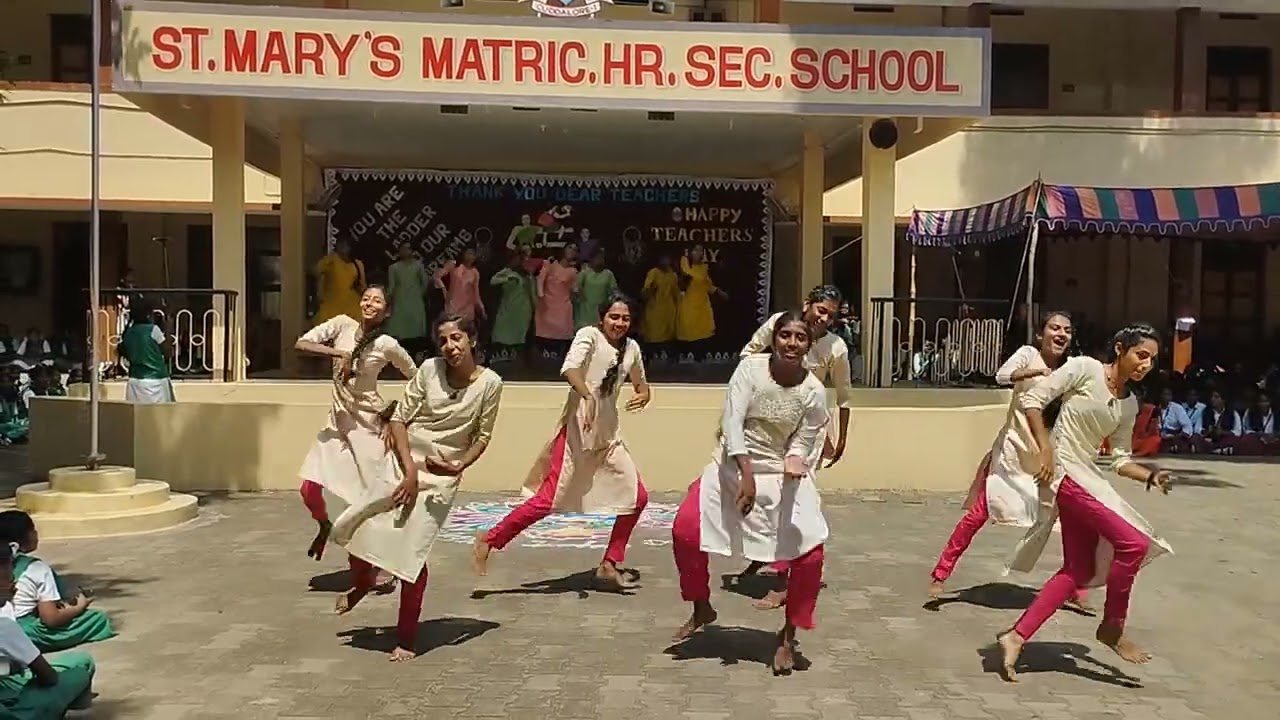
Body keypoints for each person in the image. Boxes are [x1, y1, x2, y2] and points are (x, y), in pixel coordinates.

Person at [997, 324, 1174, 682]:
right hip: (1063, 473)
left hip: (1088, 476)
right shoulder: (1084, 368)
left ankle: (1015, 636)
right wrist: (1045, 448)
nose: (1146, 365)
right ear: (1121, 349)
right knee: (1133, 544)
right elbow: (1033, 401)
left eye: (1152, 360)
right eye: (1141, 355)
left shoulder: (1128, 403)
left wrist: (1150, 476)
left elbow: (1120, 460)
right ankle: (1112, 627)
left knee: (1077, 569)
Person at [328, 313, 504, 662]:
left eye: (457, 338)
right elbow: (398, 418)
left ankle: (406, 637)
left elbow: (482, 436)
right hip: (404, 462)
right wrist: (408, 471)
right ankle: (364, 582)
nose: (450, 347)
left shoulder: (491, 384)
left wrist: (459, 465)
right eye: (443, 340)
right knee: (358, 525)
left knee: (411, 555)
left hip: (440, 479)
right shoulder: (428, 370)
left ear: (472, 340)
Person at [670, 311, 829, 675]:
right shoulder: (751, 370)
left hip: (779, 475)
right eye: (785, 335)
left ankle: (788, 637)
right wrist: (745, 473)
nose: (791, 343)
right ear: (774, 339)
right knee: (685, 530)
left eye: (799, 337)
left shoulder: (814, 391)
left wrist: (794, 459)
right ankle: (700, 606)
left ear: (808, 344)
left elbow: (806, 437)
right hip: (732, 466)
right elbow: (732, 419)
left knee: (810, 553)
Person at [473, 292, 651, 590]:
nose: (619, 323)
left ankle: (609, 563)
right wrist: (587, 395)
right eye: (614, 317)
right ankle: (489, 540)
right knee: (547, 501)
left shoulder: (632, 348)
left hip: (608, 437)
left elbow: (642, 384)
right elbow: (570, 369)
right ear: (601, 318)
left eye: (625, 318)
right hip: (577, 431)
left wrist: (643, 395)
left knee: (638, 497)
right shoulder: (589, 336)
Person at [928, 311, 1090, 610]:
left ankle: (1076, 589)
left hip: (1045, 455)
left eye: (1067, 330)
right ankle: (941, 573)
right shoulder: (1028, 355)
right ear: (1041, 334)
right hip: (1012, 452)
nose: (1061, 334)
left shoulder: (1071, 369)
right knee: (978, 515)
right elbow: (1001, 376)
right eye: (1054, 328)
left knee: (1067, 517)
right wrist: (1034, 374)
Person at [735, 287, 853, 610]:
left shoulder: (836, 348)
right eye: (819, 309)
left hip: (808, 433)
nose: (822, 317)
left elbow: (843, 396)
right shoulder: (779, 325)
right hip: (768, 423)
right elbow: (748, 354)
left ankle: (783, 579)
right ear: (807, 305)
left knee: (793, 500)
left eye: (829, 313)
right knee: (760, 494)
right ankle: (764, 555)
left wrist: (840, 438)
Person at [294, 286, 417, 595]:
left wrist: (396, 416)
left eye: (377, 300)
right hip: (336, 425)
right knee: (308, 489)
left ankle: (377, 568)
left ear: (387, 311)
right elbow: (302, 343)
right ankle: (324, 524)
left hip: (368, 427)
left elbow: (417, 380)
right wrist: (340, 353)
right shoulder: (341, 325)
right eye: (366, 298)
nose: (369, 303)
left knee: (363, 504)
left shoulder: (387, 344)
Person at [0, 543, 95, 719]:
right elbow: (48, 676)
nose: (14, 585)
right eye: (9, 579)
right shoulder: (5, 626)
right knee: (81, 664)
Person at [0, 511, 114, 653]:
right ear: (28, 536)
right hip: (24, 631)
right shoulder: (37, 568)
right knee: (97, 618)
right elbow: (50, 619)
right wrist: (79, 607)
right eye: (33, 530)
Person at [116, 300, 174, 404]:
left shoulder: (128, 333)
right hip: (156, 381)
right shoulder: (153, 330)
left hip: (135, 381)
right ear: (148, 314)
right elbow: (168, 352)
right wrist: (169, 330)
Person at [675, 245, 726, 359]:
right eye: (695, 250)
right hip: (688, 303)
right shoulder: (685, 263)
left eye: (700, 251)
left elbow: (707, 284)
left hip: (702, 304)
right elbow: (689, 274)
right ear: (690, 252)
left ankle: (700, 360)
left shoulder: (704, 267)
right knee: (688, 330)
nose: (698, 253)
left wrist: (718, 291)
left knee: (703, 331)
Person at [489, 251, 536, 362]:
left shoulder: (528, 276)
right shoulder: (507, 272)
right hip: (507, 308)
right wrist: (507, 279)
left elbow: (533, 293)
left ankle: (518, 360)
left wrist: (535, 308)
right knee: (501, 334)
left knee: (519, 336)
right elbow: (492, 281)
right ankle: (501, 357)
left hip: (523, 310)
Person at [534, 244, 579, 360]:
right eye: (570, 248)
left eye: (575, 250)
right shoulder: (549, 265)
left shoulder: (572, 271)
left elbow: (575, 291)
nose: (572, 251)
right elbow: (540, 282)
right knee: (544, 343)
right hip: (546, 308)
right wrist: (541, 297)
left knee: (560, 343)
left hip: (563, 310)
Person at [385, 243, 430, 358]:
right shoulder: (394, 268)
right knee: (400, 334)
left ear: (412, 251)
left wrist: (418, 295)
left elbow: (425, 284)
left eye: (408, 249)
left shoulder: (418, 266)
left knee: (415, 333)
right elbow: (391, 288)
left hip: (416, 303)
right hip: (400, 304)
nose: (405, 251)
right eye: (402, 249)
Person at [313, 239, 367, 325]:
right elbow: (316, 271)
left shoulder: (357, 264)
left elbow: (362, 285)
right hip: (331, 305)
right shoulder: (332, 260)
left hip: (352, 307)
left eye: (345, 245)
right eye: (340, 244)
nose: (342, 247)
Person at [433, 248, 485, 324]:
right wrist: (443, 290)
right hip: (452, 308)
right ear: (463, 254)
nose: (471, 257)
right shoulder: (453, 265)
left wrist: (482, 310)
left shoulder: (475, 272)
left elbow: (476, 295)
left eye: (473, 254)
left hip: (467, 311)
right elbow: (436, 277)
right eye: (468, 253)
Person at [640, 254, 679, 355]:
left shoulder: (672, 275)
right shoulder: (653, 272)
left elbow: (676, 293)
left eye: (667, 258)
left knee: (668, 339)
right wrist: (650, 291)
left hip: (669, 312)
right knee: (655, 338)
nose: (665, 260)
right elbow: (645, 291)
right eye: (663, 258)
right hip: (654, 311)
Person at [573, 250, 618, 331]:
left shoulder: (608, 274)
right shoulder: (585, 273)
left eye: (602, 258)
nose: (600, 260)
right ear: (591, 260)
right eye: (598, 258)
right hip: (584, 315)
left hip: (601, 313)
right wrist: (581, 298)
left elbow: (613, 291)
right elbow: (576, 289)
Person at [1156, 387, 1194, 453]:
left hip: (1174, 436)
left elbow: (1188, 427)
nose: (1166, 397)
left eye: (1168, 395)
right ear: (1160, 396)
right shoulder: (1155, 408)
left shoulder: (1177, 408)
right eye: (1164, 394)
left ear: (1171, 397)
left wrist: (1177, 436)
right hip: (1159, 436)